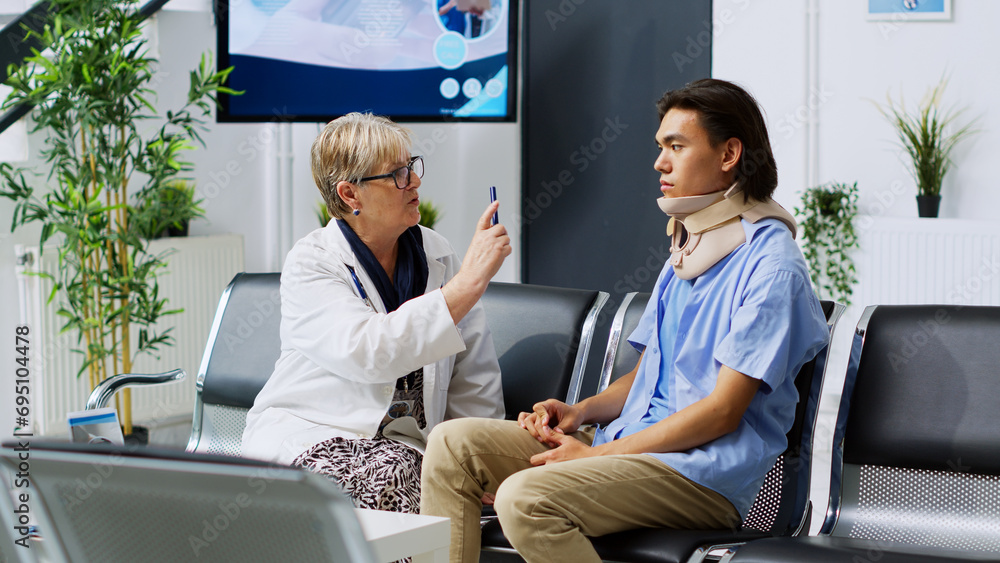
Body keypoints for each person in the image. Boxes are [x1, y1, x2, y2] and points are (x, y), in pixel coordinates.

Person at [420, 78, 830, 563]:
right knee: (450, 445)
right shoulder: (689, 247)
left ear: (729, 154)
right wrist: (582, 412)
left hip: (699, 478)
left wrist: (594, 456)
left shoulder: (773, 268)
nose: (660, 162)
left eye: (676, 146)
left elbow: (722, 411)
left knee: (526, 498)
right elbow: (651, 371)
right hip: (628, 446)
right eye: (661, 147)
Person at [242, 112, 510, 514]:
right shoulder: (312, 262)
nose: (415, 181)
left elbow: (473, 377)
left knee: (400, 475)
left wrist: (486, 463)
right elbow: (369, 353)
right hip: (315, 431)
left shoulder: (437, 254)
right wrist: (467, 285)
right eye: (398, 174)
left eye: (412, 167)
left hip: (404, 448)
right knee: (380, 484)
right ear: (350, 195)